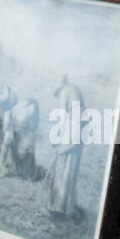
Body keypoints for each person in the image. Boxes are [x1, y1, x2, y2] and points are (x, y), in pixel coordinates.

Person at [46, 75, 84, 220]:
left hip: (70, 141)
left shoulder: (66, 92)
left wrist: (59, 144)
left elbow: (62, 117)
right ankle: (64, 206)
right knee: (67, 174)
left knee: (63, 174)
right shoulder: (73, 91)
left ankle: (59, 209)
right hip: (74, 140)